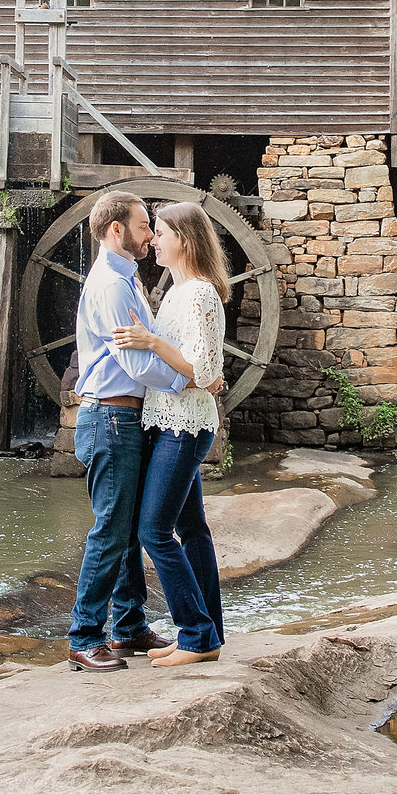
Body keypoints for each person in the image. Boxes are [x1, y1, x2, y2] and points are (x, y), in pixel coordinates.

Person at [66, 192, 195, 673]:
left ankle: (128, 627)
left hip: (125, 418)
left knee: (128, 529)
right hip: (110, 418)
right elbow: (137, 362)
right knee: (111, 531)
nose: (150, 235)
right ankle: (83, 636)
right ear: (116, 230)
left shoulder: (128, 280)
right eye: (144, 226)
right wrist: (188, 379)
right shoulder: (112, 287)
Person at [111, 201, 228, 668]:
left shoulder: (199, 294)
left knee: (153, 531)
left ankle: (198, 637)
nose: (152, 240)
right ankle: (211, 628)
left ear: (184, 239)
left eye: (159, 233)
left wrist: (152, 341)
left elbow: (203, 370)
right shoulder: (179, 293)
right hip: (174, 422)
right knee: (192, 529)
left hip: (184, 426)